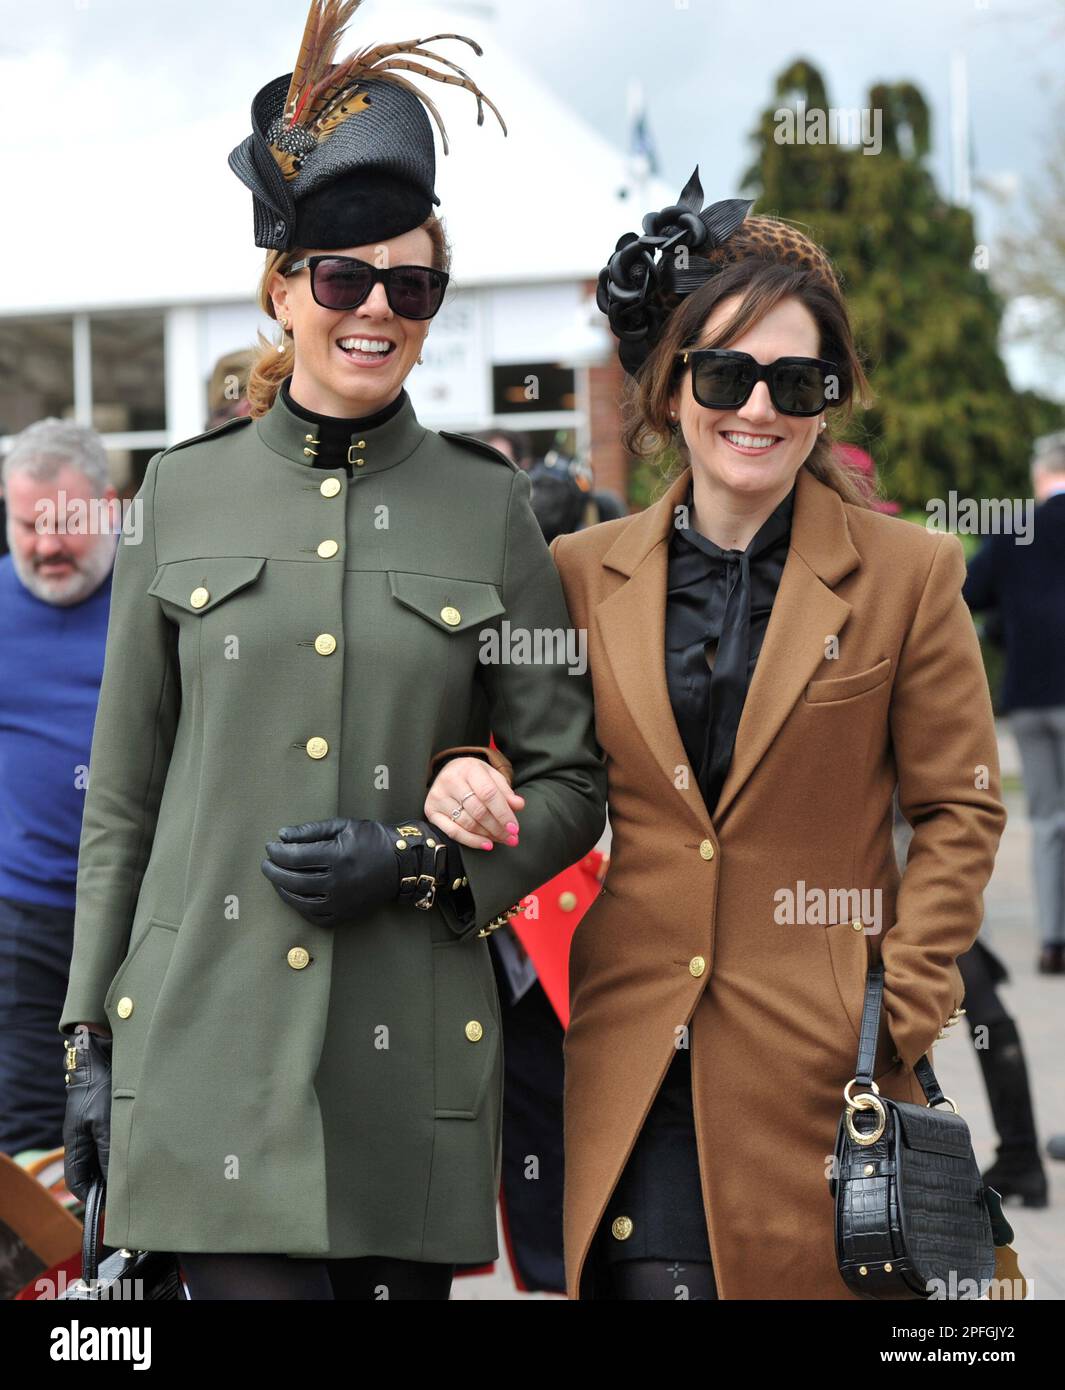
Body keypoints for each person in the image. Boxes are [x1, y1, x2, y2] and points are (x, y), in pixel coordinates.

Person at [58, 0, 605, 1302]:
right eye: (344, 277)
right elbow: (122, 799)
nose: (376, 308)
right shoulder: (180, 500)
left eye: (410, 285)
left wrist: (411, 860)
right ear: (283, 289)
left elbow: (572, 785)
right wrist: (89, 1040)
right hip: (202, 1049)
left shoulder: (491, 509)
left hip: (403, 1058)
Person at [534, 169, 1006, 1298]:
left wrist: (906, 993)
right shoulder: (577, 579)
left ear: (829, 398)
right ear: (670, 389)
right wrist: (455, 770)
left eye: (796, 379)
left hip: (826, 1073)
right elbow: (532, 770)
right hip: (634, 1062)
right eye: (726, 372)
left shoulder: (911, 575)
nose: (757, 407)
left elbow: (963, 804)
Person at [0, 421, 118, 1158]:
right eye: (24, 526)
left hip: (147, 920)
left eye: (63, 526)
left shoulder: (162, 598)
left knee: (139, 1131)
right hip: (25, 924)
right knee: (27, 1133)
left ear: (108, 507)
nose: (45, 549)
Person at [963, 433, 1065, 973]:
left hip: (1029, 693)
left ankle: (1054, 941)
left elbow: (964, 595)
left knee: (1048, 818)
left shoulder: (1013, 529)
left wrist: (1006, 628)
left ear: (1039, 476)